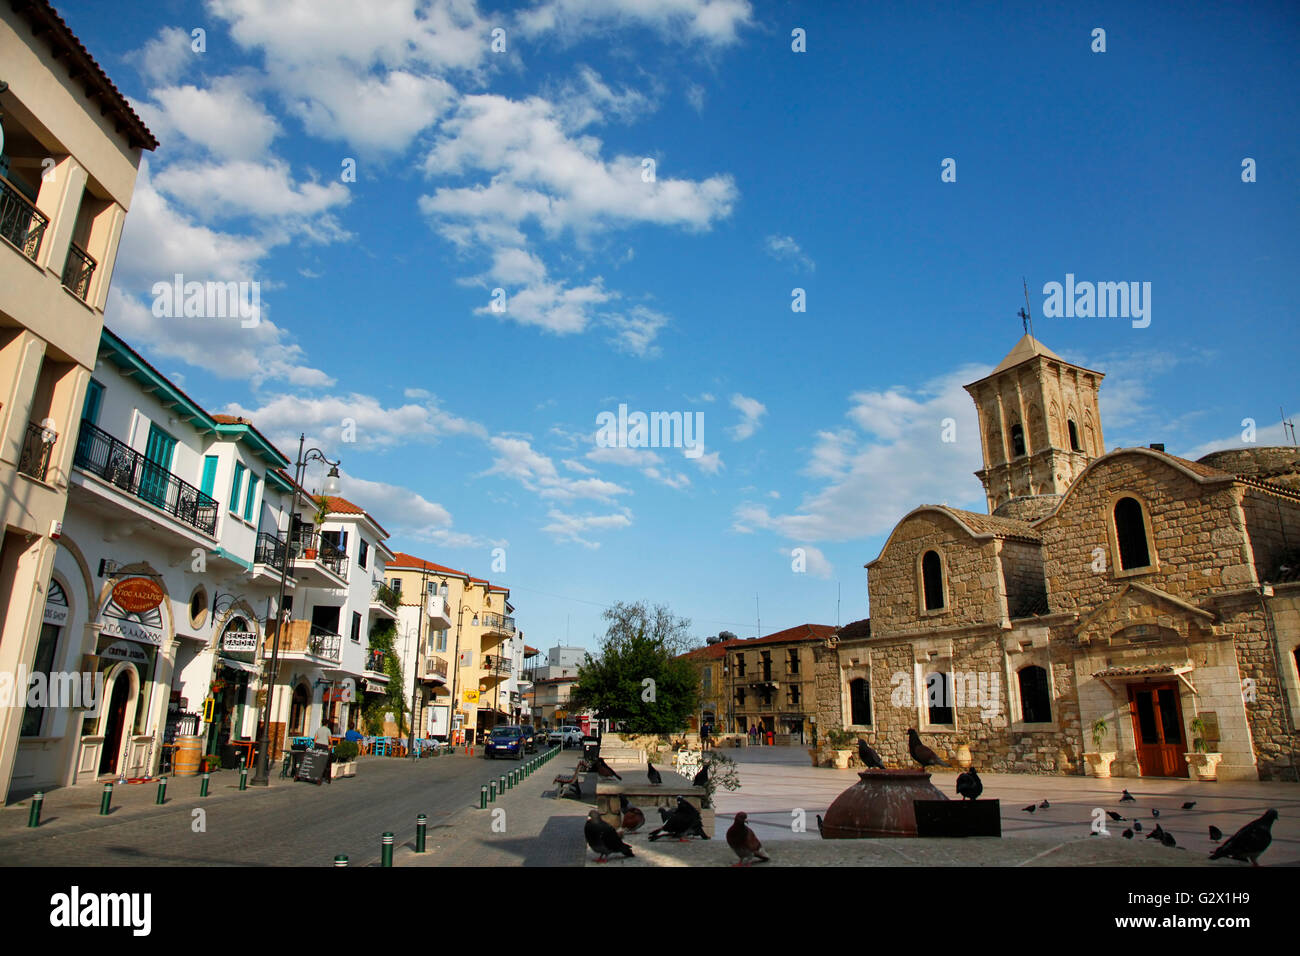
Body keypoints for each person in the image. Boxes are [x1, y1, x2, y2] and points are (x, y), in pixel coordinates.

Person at [313, 721, 333, 785]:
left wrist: (314, 745)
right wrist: (331, 745)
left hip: (317, 745)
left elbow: (315, 738)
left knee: (317, 759)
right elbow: (330, 739)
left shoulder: (318, 729)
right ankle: (322, 775)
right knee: (323, 760)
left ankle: (316, 772)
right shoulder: (328, 730)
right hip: (324, 745)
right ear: (327, 724)